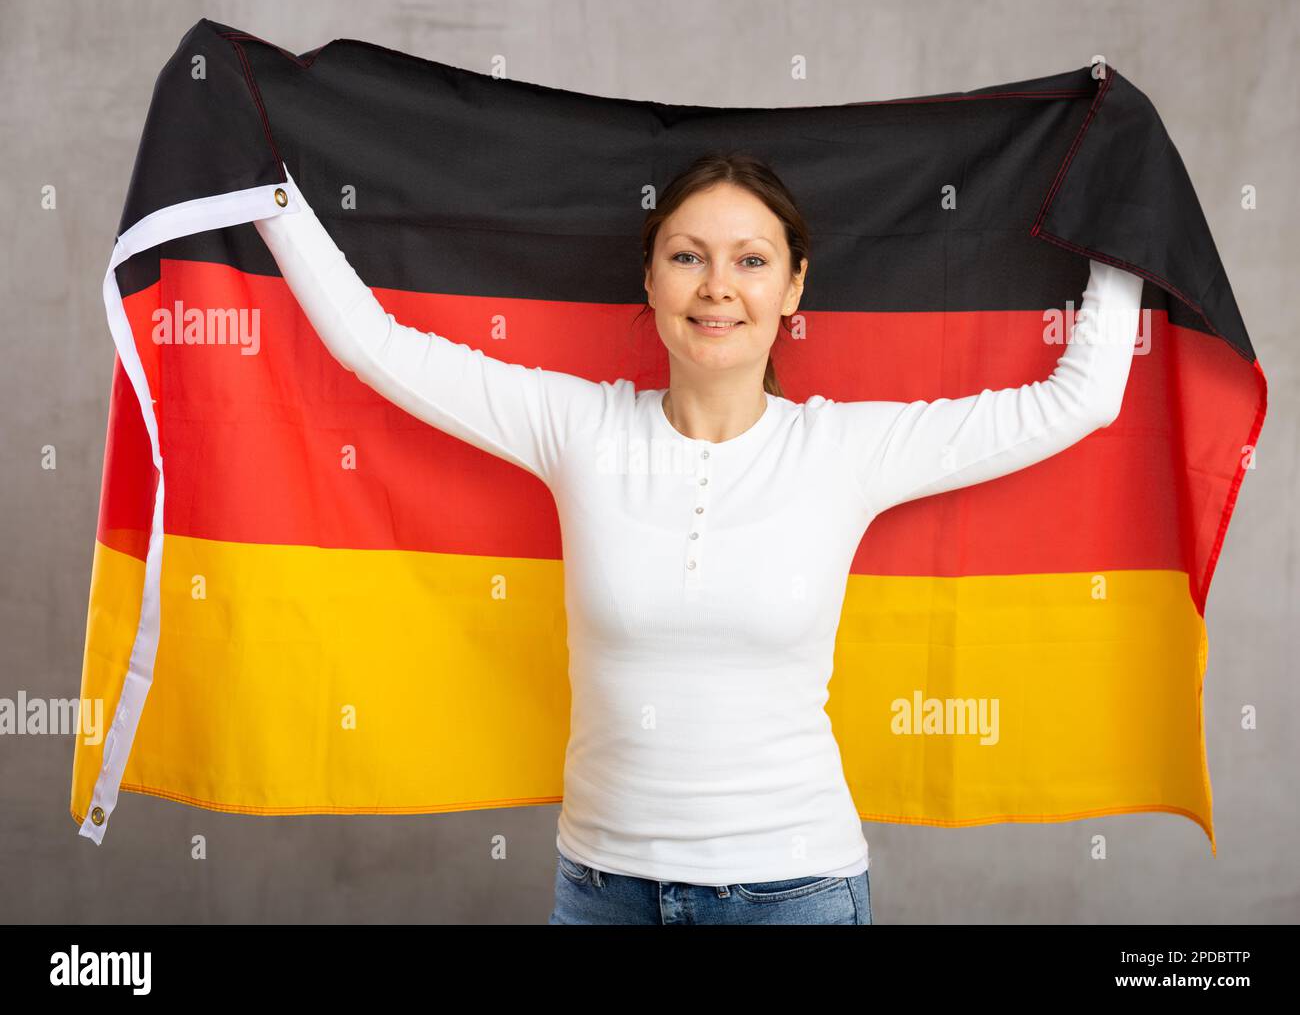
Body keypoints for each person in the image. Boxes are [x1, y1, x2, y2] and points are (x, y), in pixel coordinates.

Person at [254, 152, 1144, 925]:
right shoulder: (579, 429)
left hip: (794, 893)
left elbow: (1083, 397)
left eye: (751, 260)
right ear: (650, 278)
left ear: (793, 286)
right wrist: (261, 185)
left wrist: (1124, 199)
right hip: (604, 890)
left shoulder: (844, 449)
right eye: (688, 256)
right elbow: (373, 344)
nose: (718, 285)